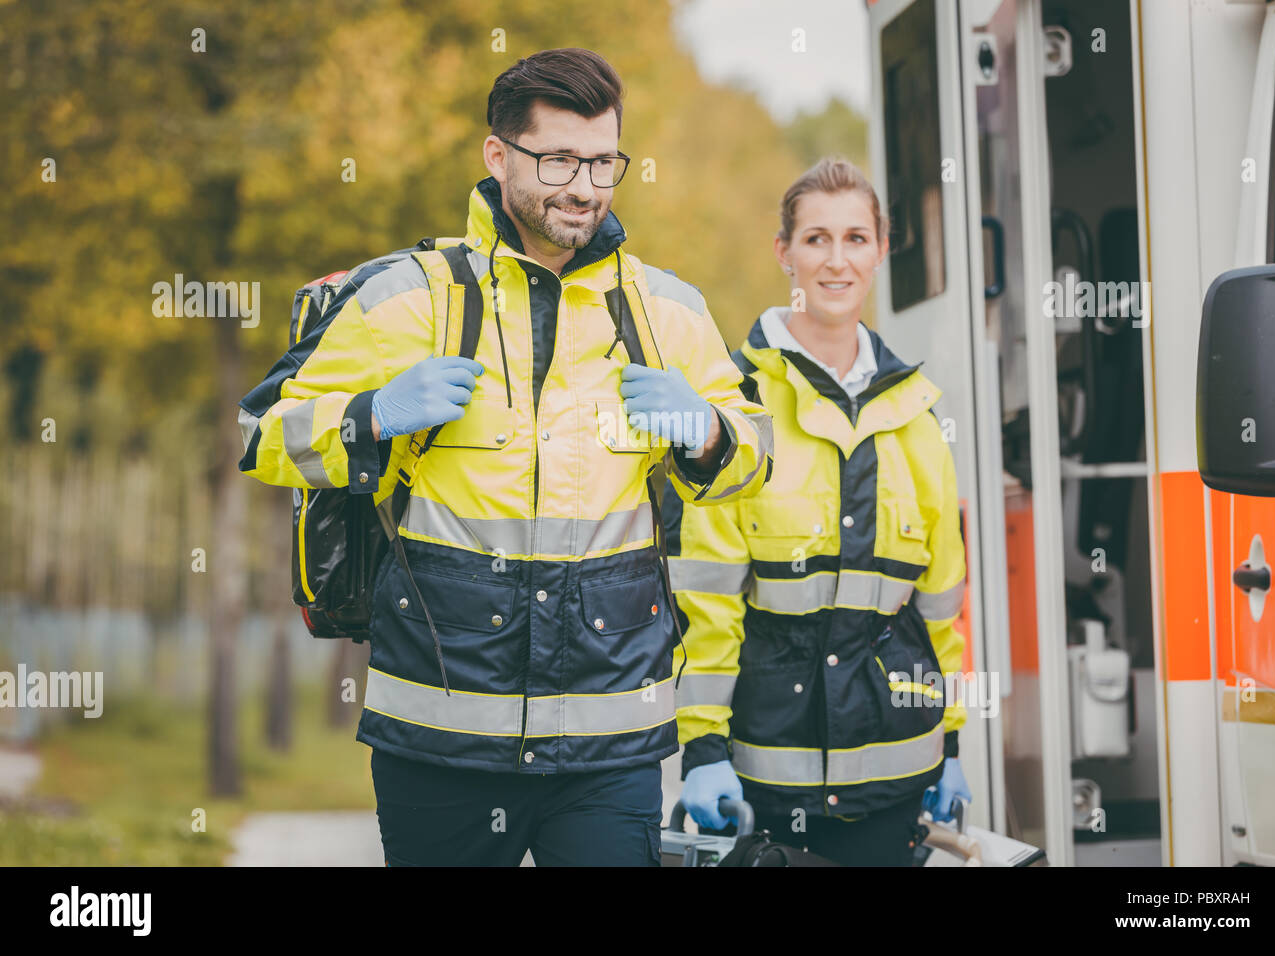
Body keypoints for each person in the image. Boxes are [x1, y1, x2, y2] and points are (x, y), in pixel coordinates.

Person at [236, 48, 772, 866]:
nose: (585, 186)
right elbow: (262, 434)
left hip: (609, 747)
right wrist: (369, 417)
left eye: (603, 161)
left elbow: (754, 465)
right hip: (438, 741)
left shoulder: (671, 311)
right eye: (558, 158)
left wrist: (708, 432)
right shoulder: (402, 299)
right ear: (499, 155)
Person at [664, 157, 971, 866]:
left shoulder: (919, 416)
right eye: (816, 239)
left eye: (857, 239)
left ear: (881, 251)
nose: (838, 261)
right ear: (785, 253)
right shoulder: (735, 408)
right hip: (765, 782)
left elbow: (941, 611)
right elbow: (705, 607)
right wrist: (703, 749)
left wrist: (950, 743)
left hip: (898, 778)